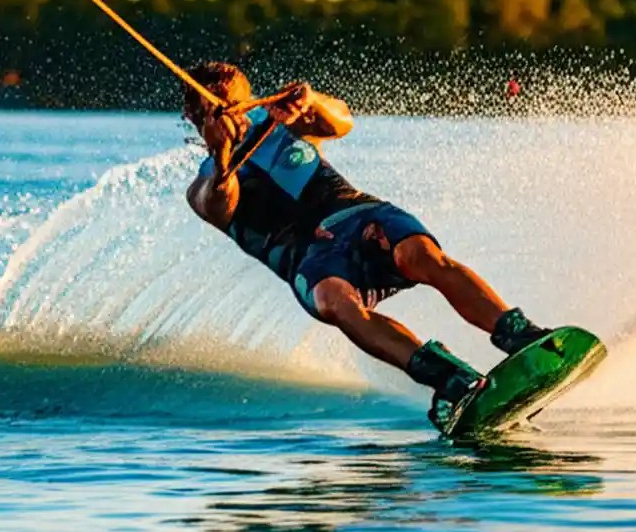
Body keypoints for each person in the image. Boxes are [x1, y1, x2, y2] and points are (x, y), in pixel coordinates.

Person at [182, 62, 555, 433]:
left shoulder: (283, 123)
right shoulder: (203, 185)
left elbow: (340, 121)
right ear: (195, 118)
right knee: (333, 300)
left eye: (233, 105)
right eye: (214, 111)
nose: (231, 117)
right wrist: (222, 157)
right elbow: (220, 203)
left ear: (249, 101)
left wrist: (311, 101)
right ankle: (450, 379)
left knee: (418, 255)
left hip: (355, 215)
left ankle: (519, 335)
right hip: (310, 258)